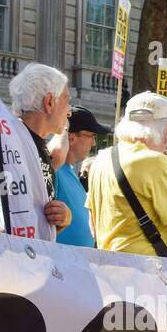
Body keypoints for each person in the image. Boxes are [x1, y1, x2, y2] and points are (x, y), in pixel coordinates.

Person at [87, 91, 167, 257]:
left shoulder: (101, 159)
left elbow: (93, 225)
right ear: (165, 129)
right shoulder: (154, 161)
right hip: (148, 271)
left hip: (108, 265)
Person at [0, 62, 71, 234]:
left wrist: (63, 218)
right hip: (3, 256)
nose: (69, 111)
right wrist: (8, 251)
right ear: (49, 102)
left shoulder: (40, 148)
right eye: (67, 101)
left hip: (31, 258)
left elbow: (34, 222)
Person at [51, 105, 110, 247]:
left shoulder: (69, 171)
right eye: (91, 136)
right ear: (71, 138)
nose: (94, 142)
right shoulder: (53, 170)